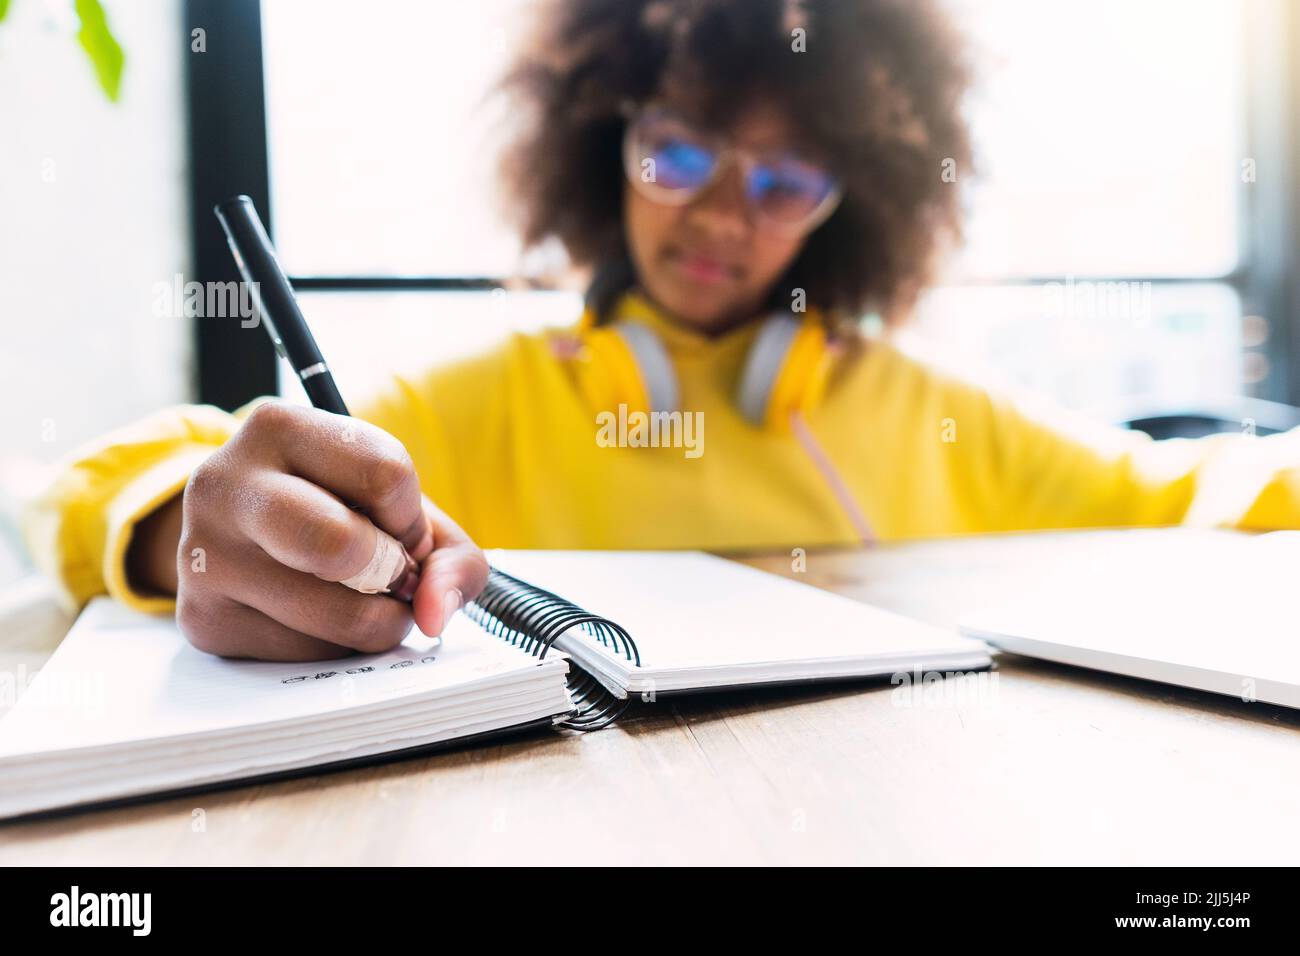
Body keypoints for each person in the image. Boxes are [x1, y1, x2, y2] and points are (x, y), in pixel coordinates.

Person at [25, 0, 1300, 661]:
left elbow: (1189, 490)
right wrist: (171, 523)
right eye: (681, 149)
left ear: (853, 208)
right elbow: (89, 485)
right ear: (598, 142)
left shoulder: (924, 407)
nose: (724, 218)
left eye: (788, 181)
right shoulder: (487, 399)